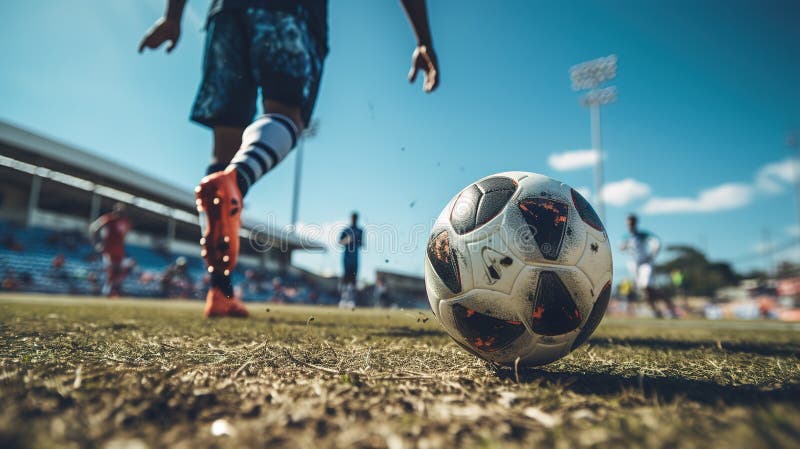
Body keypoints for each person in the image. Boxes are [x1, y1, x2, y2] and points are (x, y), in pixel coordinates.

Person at [140, 0, 439, 318]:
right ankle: (237, 181)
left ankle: (220, 291)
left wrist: (172, 16)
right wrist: (423, 40)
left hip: (226, 11)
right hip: (290, 9)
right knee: (285, 115)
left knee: (225, 144)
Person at [620, 214, 677, 318]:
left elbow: (656, 242)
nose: (629, 225)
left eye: (631, 223)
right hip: (635, 267)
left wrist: (652, 254)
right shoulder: (626, 237)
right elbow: (621, 248)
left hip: (645, 263)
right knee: (645, 290)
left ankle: (667, 304)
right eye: (628, 224)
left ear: (635, 223)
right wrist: (623, 246)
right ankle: (657, 310)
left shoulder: (642, 234)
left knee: (646, 286)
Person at [89, 203, 132, 297]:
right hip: (108, 249)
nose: (120, 213)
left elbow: (123, 235)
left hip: (120, 250)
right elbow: (94, 228)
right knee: (108, 270)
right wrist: (97, 242)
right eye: (118, 211)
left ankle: (111, 291)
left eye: (122, 212)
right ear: (114, 210)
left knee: (118, 272)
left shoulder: (126, 222)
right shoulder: (108, 218)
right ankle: (102, 291)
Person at [338, 212, 363, 307]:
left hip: (355, 258)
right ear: (350, 218)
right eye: (353, 218)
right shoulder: (346, 230)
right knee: (345, 278)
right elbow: (339, 242)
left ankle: (351, 300)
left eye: (355, 218)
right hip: (346, 258)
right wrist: (347, 240)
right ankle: (343, 299)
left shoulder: (360, 230)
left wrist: (356, 241)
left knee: (353, 279)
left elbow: (362, 244)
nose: (354, 220)